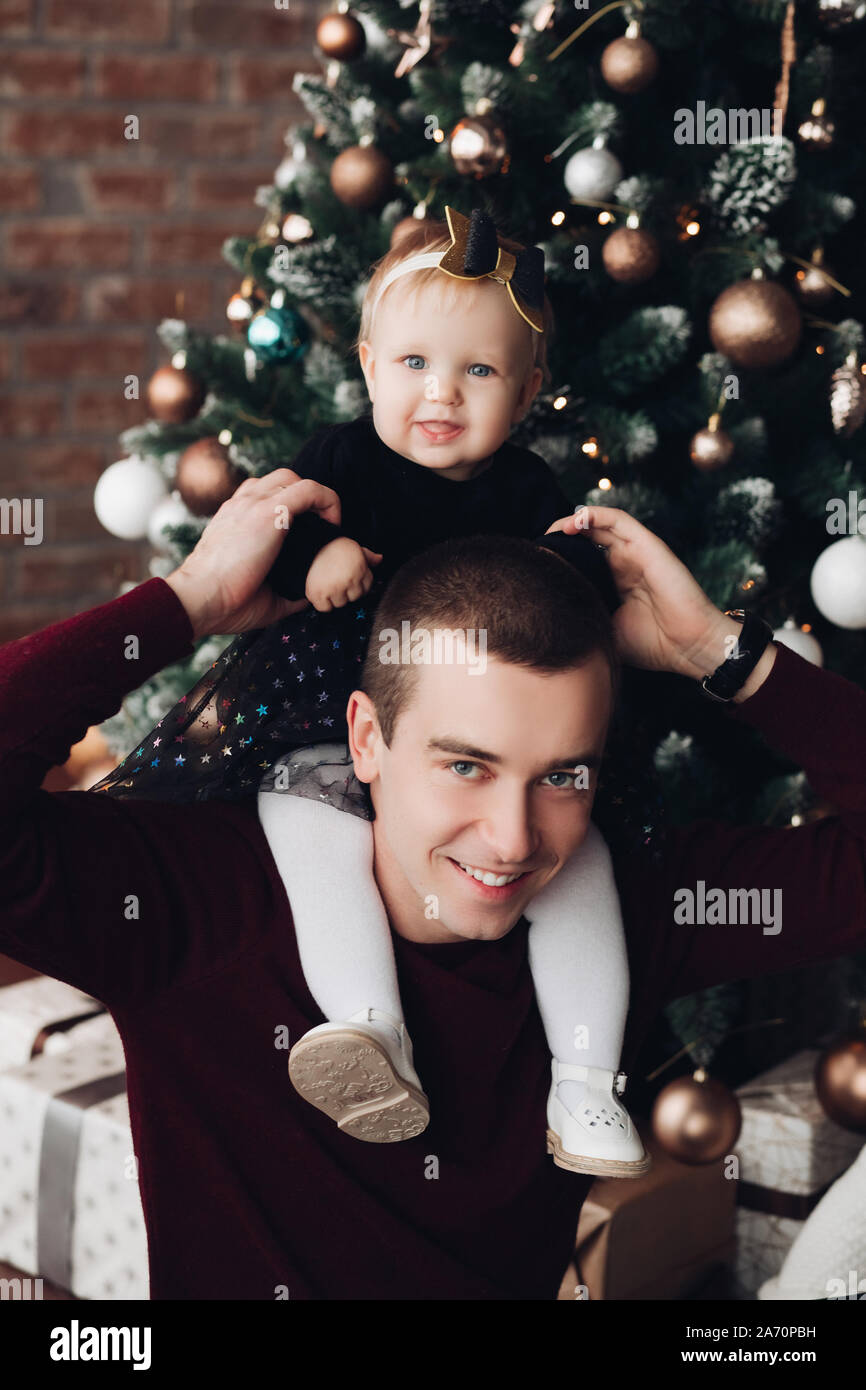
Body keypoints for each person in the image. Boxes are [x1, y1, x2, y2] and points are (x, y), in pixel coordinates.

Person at [1, 491, 863, 1301]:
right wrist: (189, 599)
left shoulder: (634, 910)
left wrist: (726, 654)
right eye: (465, 766)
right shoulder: (190, 901)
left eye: (562, 776)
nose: (515, 838)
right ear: (367, 740)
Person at [91, 205, 651, 1179]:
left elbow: (556, 606)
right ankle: (369, 1032)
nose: (440, 393)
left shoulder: (524, 491)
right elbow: (291, 534)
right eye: (413, 365)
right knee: (314, 836)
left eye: (478, 371)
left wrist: (574, 565)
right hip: (327, 709)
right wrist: (323, 556)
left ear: (524, 393)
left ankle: (585, 1079)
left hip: (479, 736)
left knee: (579, 866)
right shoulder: (340, 460)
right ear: (365, 364)